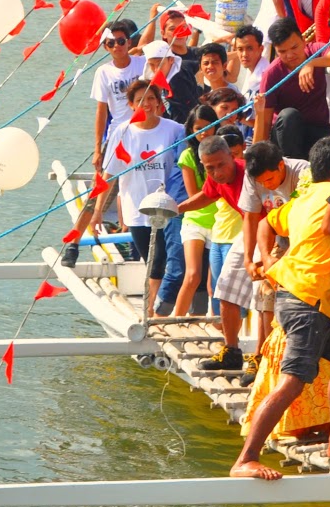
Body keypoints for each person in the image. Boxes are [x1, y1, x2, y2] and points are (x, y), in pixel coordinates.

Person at [231, 137, 330, 480]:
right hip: (308, 300)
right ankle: (246, 458)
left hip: (310, 299)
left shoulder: (306, 198)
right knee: (292, 381)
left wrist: (267, 256)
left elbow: (266, 223)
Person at [70, 81, 184, 305]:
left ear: (159, 102)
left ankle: (154, 308)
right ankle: (156, 304)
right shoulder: (122, 132)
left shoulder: (174, 130)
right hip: (137, 210)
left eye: (151, 98)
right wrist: (98, 211)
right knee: (150, 260)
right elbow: (109, 175)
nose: (146, 104)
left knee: (163, 258)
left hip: (168, 208)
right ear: (131, 104)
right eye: (140, 99)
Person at [174, 136, 251, 372]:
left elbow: (255, 215)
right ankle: (231, 351)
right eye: (210, 168)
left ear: (232, 156)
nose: (217, 172)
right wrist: (176, 209)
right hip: (249, 233)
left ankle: (258, 359)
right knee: (225, 290)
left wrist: (253, 254)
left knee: (262, 299)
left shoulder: (247, 173)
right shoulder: (215, 178)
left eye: (221, 164)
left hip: (266, 231)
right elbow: (208, 194)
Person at [239, 141, 311, 355]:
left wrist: (282, 261)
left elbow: (308, 223)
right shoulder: (252, 177)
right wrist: (250, 259)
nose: (267, 185)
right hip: (278, 238)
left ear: (281, 166)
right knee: (265, 293)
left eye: (269, 179)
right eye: (262, 182)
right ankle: (262, 355)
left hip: (306, 239)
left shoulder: (303, 172)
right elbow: (251, 218)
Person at [254, 17, 330, 159]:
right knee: (289, 116)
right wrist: (257, 157)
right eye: (282, 51)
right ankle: (294, 166)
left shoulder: (315, 50)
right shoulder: (271, 74)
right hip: (286, 135)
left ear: (304, 40)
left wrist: (310, 64)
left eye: (294, 47)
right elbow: (265, 121)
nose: (290, 55)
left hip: (318, 130)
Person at [170, 105, 223, 316]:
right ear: (191, 130)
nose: (203, 132)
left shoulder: (224, 153)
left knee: (215, 282)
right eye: (198, 128)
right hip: (195, 221)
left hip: (220, 222)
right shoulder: (188, 156)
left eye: (208, 127)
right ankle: (175, 320)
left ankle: (218, 325)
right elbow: (195, 196)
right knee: (192, 275)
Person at [91, 20, 146, 170]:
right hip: (118, 132)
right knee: (107, 181)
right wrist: (97, 150)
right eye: (111, 43)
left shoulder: (143, 63)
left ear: (129, 42)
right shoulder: (103, 72)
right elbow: (101, 111)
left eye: (121, 41)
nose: (117, 46)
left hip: (144, 129)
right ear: (105, 47)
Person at [140, 8, 203, 126]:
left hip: (197, 119)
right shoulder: (159, 59)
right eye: (172, 29)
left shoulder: (199, 54)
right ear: (163, 33)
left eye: (182, 28)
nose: (179, 32)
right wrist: (152, 19)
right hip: (172, 123)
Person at [228, 25, 268, 103]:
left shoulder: (264, 77)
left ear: (261, 49)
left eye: (249, 48)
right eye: (240, 49)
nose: (244, 54)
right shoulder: (252, 69)